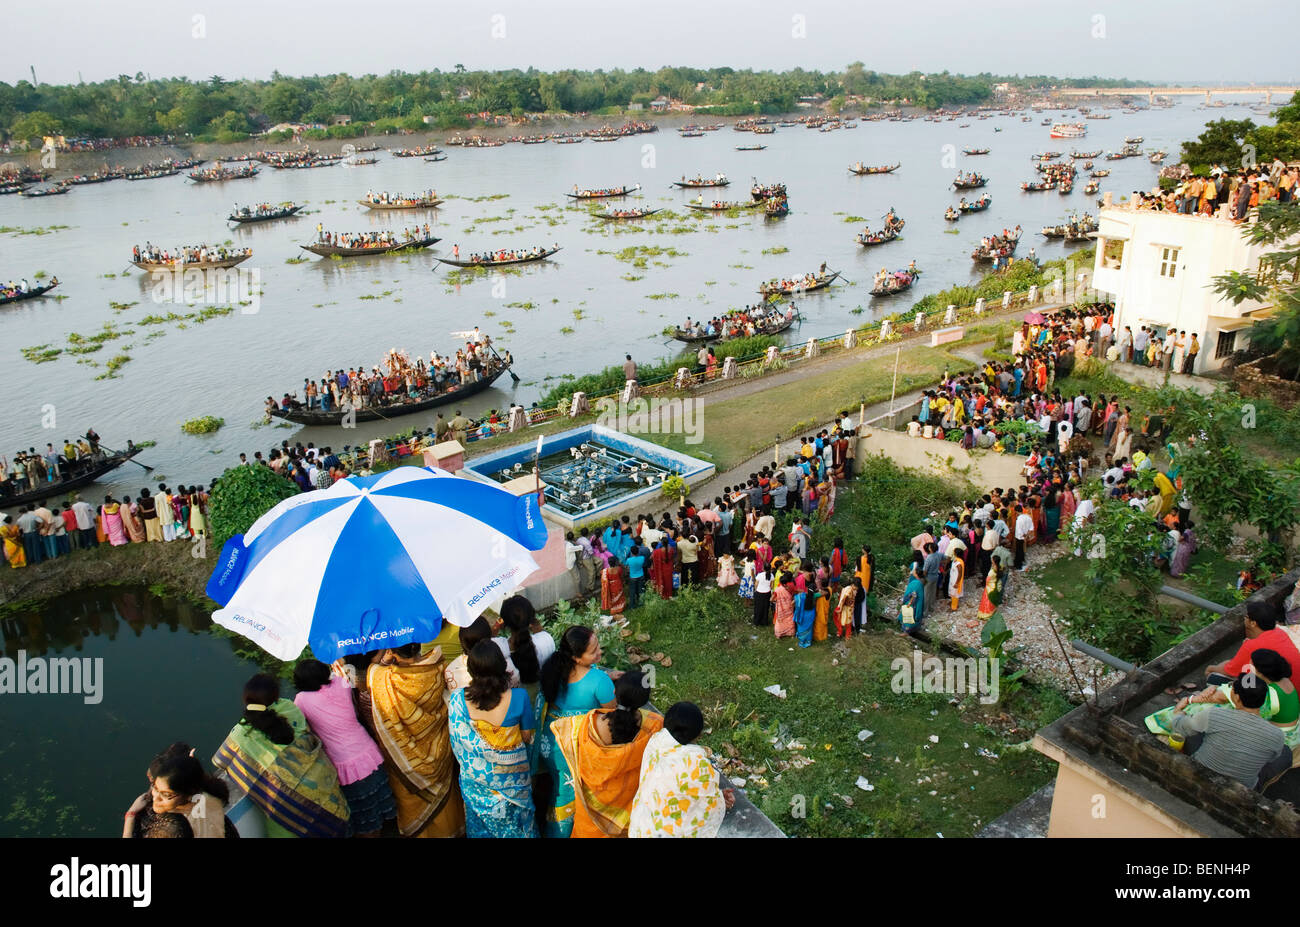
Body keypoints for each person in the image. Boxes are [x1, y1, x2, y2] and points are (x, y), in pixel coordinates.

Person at [211, 673, 351, 838]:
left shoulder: (240, 733)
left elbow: (221, 760)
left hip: (282, 807)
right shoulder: (289, 708)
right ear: (275, 695)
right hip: (319, 784)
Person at [367, 643, 466, 838]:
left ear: (391, 651)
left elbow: (371, 670)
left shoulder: (383, 678)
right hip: (439, 743)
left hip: (407, 757)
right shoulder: (436, 665)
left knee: (414, 798)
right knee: (447, 794)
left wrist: (385, 659)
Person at [551, 672, 663, 838]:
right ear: (644, 701)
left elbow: (560, 728)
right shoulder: (655, 725)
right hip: (624, 814)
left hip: (589, 813)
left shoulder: (587, 724)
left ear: (613, 693)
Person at [293, 658, 396, 838]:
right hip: (370, 751)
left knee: (366, 820)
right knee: (382, 801)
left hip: (346, 765)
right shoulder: (342, 683)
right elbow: (345, 670)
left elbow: (300, 727)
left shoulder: (301, 700)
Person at [448, 641, 538, 838]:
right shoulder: (519, 697)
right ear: (502, 666)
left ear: (471, 670)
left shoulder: (457, 701)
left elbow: (458, 743)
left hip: (476, 785)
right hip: (514, 784)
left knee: (481, 829)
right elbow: (527, 737)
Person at [535, 626, 617, 838]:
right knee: (566, 796)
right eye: (593, 651)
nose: (599, 652)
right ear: (577, 658)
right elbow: (611, 718)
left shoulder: (554, 669)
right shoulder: (599, 681)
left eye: (598, 645)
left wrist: (606, 674)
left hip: (549, 743)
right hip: (571, 751)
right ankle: (561, 832)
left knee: (558, 786)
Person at [1167, 672, 1290, 790]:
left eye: (1231, 688)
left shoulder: (1214, 714)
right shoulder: (1277, 735)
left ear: (1237, 698)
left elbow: (1180, 726)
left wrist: (1179, 713)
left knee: (1193, 730)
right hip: (1241, 790)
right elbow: (1271, 758)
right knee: (1286, 753)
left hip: (1201, 772)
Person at [629, 701, 733, 838]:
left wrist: (716, 796)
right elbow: (706, 803)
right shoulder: (696, 762)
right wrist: (720, 800)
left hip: (640, 827)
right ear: (698, 734)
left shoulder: (656, 741)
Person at [496, 595, 556, 704]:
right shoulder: (546, 640)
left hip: (514, 708)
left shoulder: (498, 649)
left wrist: (495, 627)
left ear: (504, 624)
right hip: (543, 705)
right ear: (532, 619)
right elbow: (542, 635)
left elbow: (483, 642)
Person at [900, 565, 924, 633]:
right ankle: (910, 630)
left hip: (912, 602)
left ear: (916, 574)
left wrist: (906, 600)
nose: (912, 572)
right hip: (915, 602)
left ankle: (906, 631)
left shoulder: (916, 583)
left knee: (909, 616)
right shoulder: (920, 582)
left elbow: (913, 593)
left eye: (914, 571)